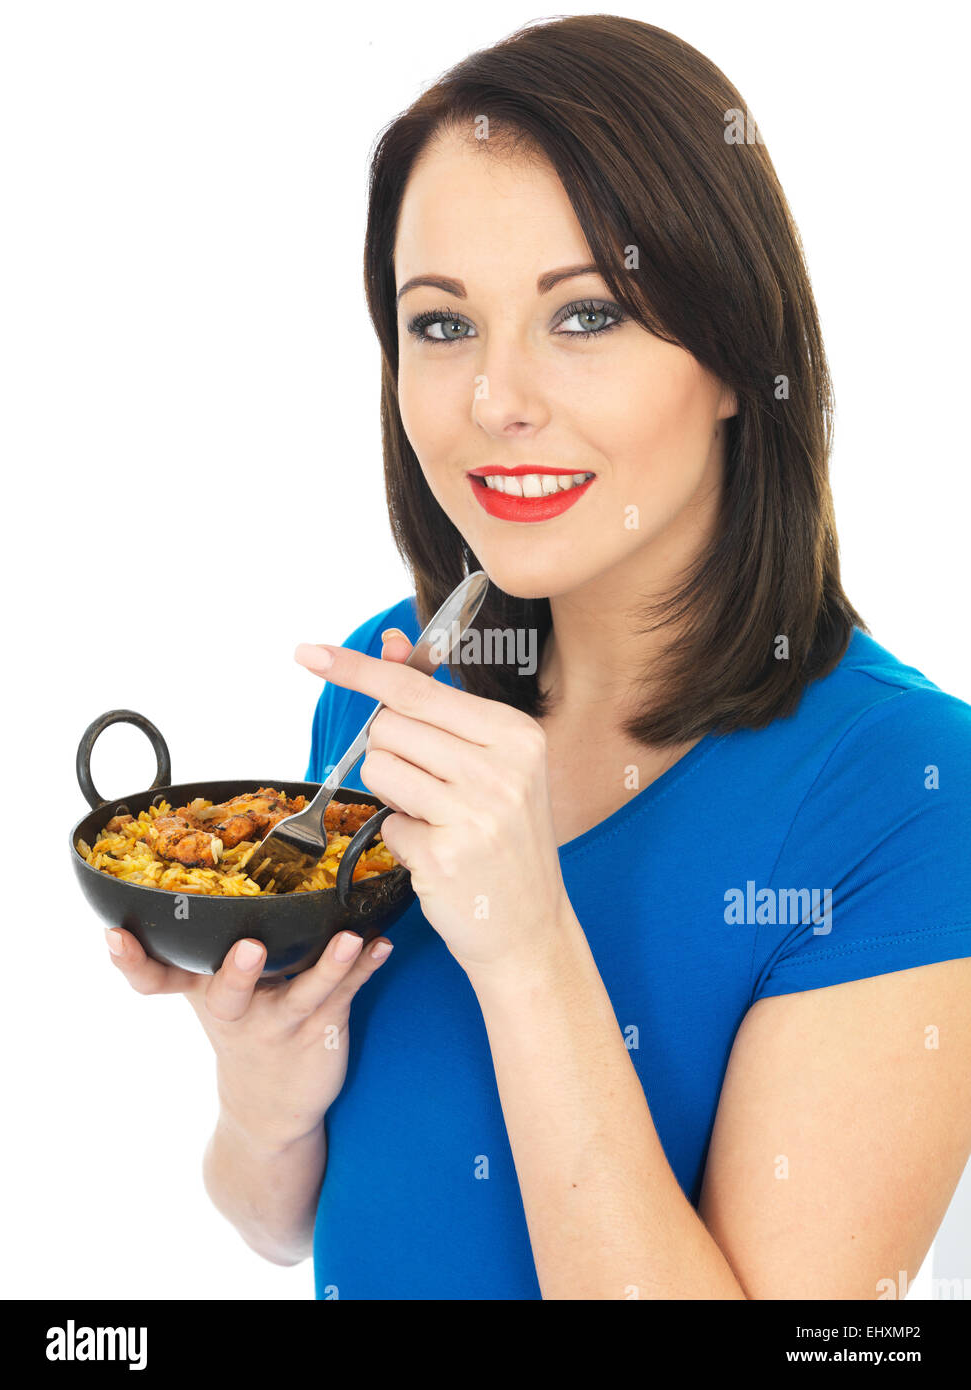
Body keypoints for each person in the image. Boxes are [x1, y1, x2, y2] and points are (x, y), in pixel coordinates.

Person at [105, 15, 971, 1300]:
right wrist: (266, 1090)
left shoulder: (908, 792)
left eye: (586, 314)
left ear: (739, 357)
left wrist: (526, 949)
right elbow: (277, 1223)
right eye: (442, 326)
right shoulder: (390, 687)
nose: (494, 399)